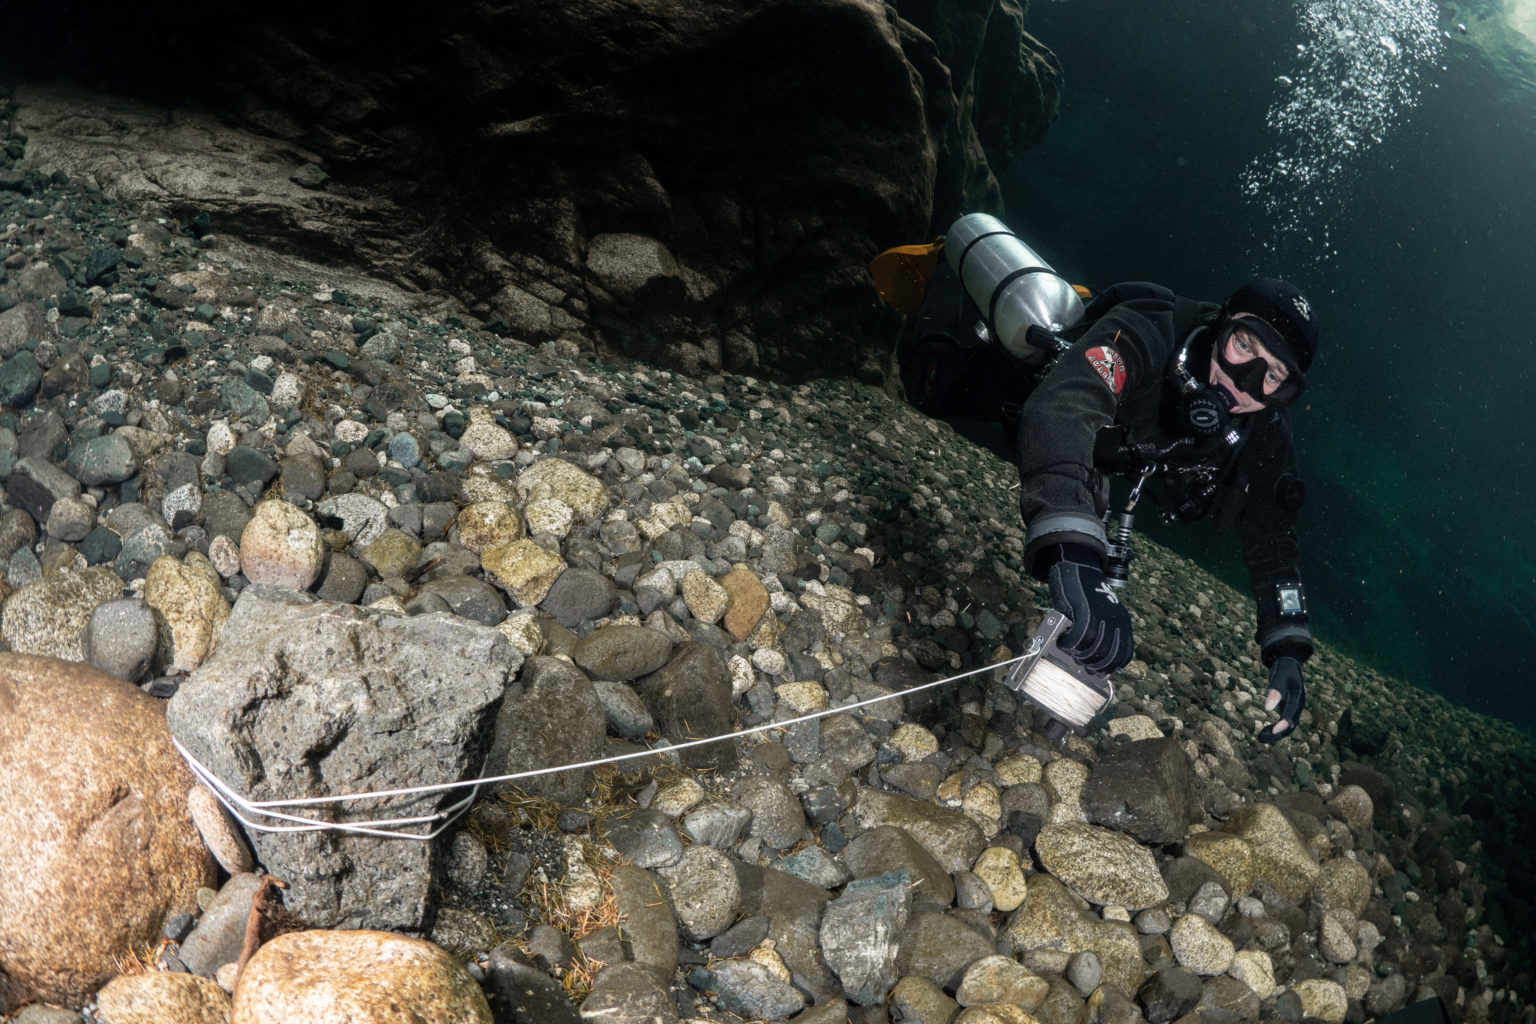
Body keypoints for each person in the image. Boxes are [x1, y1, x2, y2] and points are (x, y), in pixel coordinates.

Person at [900, 255, 1318, 743]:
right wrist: (1074, 553)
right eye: (1244, 345)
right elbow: (1065, 409)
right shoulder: (1149, 330)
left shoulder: (1264, 427)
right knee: (928, 382)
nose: (1244, 383)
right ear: (1222, 324)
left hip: (1107, 454)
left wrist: (1287, 646)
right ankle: (943, 271)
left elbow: (1272, 537)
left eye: (1273, 375)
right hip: (1031, 395)